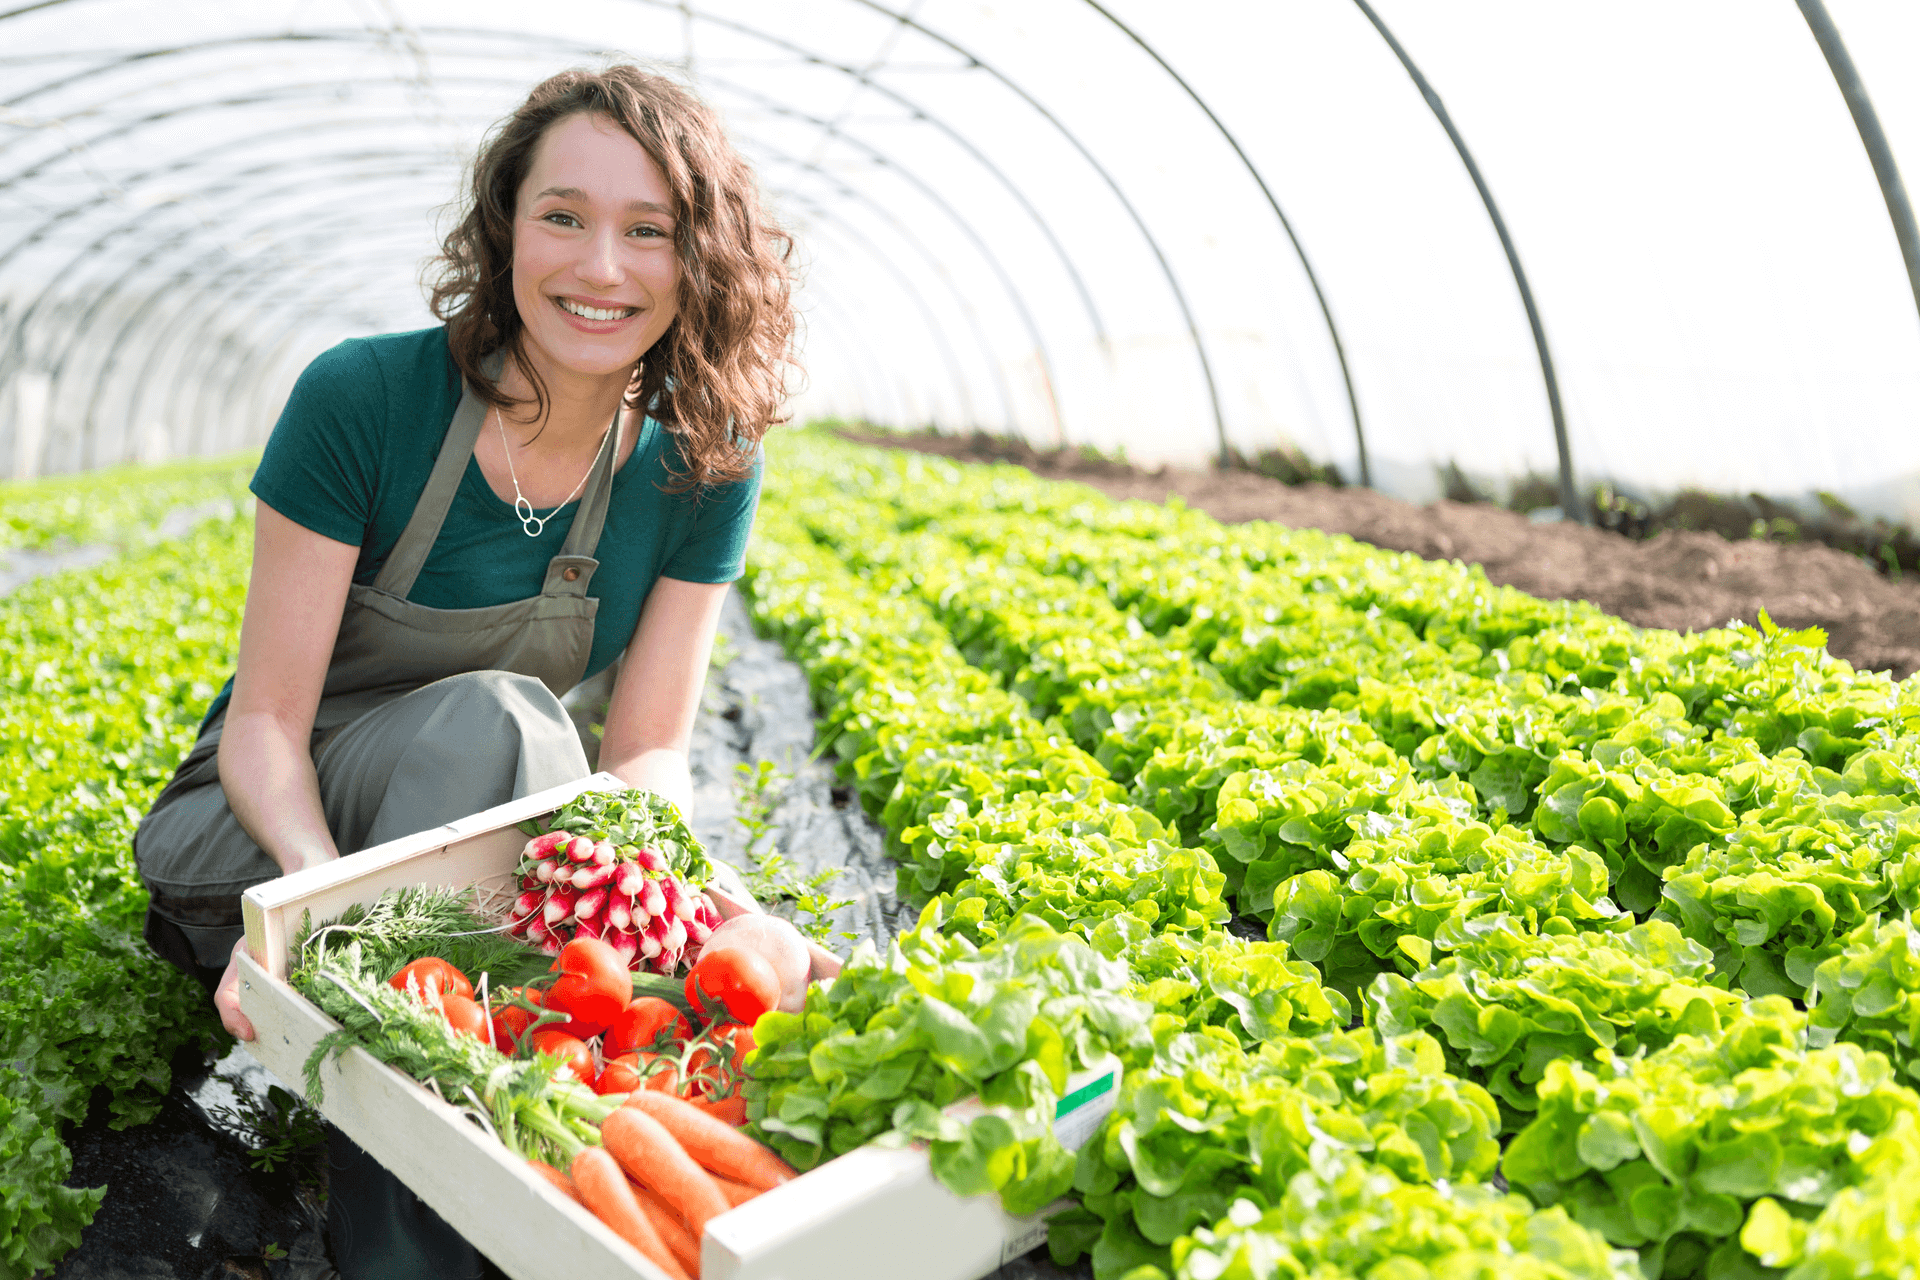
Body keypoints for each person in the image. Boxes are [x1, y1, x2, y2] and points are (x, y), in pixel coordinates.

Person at [132, 64, 795, 1277]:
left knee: (559, 798)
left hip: (469, 849)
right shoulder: (366, 398)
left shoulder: (705, 458)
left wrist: (682, 898)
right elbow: (265, 727)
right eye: (563, 216)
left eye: (649, 230)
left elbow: (647, 747)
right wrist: (313, 905)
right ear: (505, 230)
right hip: (262, 833)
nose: (602, 267)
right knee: (511, 732)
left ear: (699, 258)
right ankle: (415, 1248)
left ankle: (581, 1179)